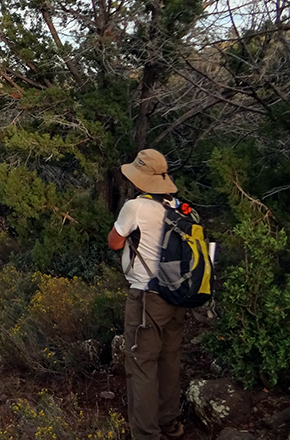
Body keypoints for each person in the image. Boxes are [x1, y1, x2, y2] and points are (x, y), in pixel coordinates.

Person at [108, 149, 186, 440]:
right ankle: (169, 422)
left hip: (147, 297)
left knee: (141, 364)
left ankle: (145, 434)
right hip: (177, 294)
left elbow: (115, 242)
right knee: (169, 360)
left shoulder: (136, 207)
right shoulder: (179, 205)